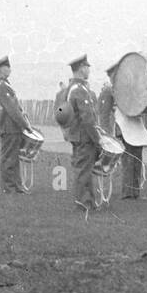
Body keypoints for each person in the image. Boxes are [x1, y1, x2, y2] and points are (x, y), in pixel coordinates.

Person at [99, 56, 144, 200]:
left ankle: (135, 192)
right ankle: (127, 193)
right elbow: (104, 114)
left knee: (137, 159)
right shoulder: (109, 91)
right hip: (122, 130)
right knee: (128, 161)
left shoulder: (129, 89)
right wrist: (106, 134)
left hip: (135, 128)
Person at [0, 57, 31, 194]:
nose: (10, 69)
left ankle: (16, 186)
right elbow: (11, 109)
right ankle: (8, 188)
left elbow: (14, 107)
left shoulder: (4, 85)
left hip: (11, 127)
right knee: (8, 158)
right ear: (1, 69)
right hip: (8, 127)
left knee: (13, 158)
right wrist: (25, 125)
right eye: (8, 67)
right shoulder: (1, 86)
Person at [65, 56, 100, 211]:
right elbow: (87, 119)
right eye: (87, 67)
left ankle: (88, 202)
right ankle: (83, 203)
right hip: (84, 136)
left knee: (85, 170)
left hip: (80, 135)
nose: (89, 70)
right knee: (83, 172)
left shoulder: (78, 88)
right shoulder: (79, 90)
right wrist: (98, 139)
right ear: (81, 68)